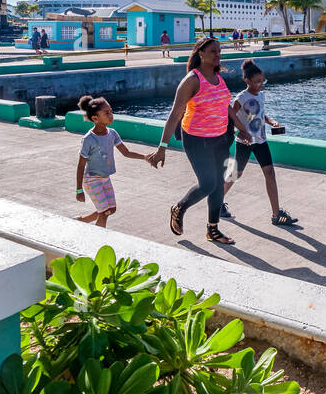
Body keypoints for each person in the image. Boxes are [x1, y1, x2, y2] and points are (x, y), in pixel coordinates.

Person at [146, 37, 251, 244]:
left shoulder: (218, 76)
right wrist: (162, 147)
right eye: (213, 51)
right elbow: (175, 114)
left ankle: (213, 230)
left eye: (219, 51)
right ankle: (179, 208)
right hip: (196, 139)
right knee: (208, 183)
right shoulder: (192, 80)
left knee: (219, 184)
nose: (218, 54)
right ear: (200, 53)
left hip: (220, 138)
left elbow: (226, 106)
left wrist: (241, 128)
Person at [220, 60, 296, 226]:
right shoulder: (242, 98)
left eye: (263, 81)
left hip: (261, 140)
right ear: (247, 81)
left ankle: (276, 215)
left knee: (270, 173)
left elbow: (260, 114)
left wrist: (272, 122)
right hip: (244, 142)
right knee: (236, 174)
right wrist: (240, 131)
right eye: (257, 81)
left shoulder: (261, 94)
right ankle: (218, 202)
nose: (261, 84)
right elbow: (230, 117)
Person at [75, 95, 147, 227]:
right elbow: (80, 166)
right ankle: (98, 239)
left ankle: (83, 221)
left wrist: (145, 157)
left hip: (105, 178)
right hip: (92, 180)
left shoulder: (112, 133)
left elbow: (126, 152)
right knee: (104, 212)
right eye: (106, 113)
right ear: (95, 118)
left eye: (111, 111)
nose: (111, 115)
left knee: (111, 209)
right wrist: (79, 190)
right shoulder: (88, 139)